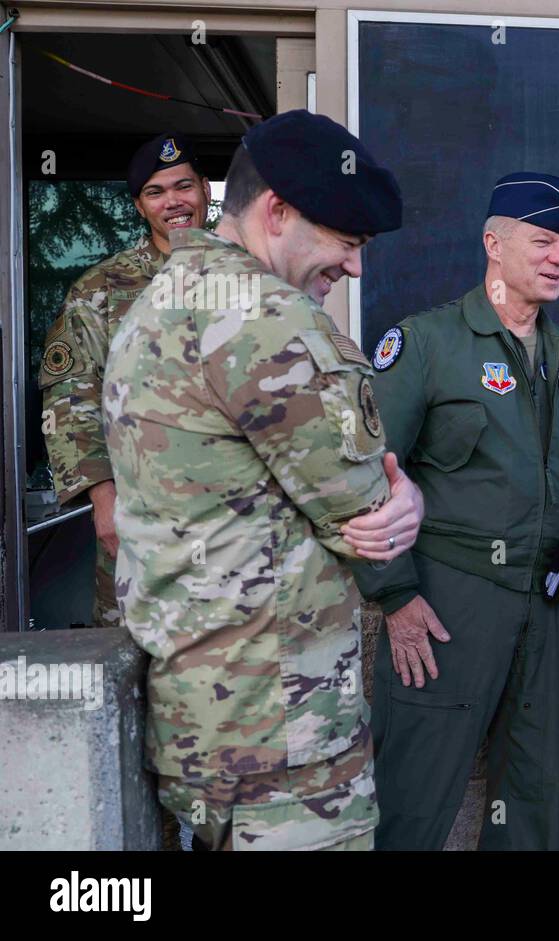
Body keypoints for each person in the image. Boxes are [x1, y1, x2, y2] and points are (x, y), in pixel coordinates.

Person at [103, 110, 423, 851]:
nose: (354, 267)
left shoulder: (158, 302)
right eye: (347, 242)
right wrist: (411, 499)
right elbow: (369, 516)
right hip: (287, 753)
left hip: (206, 735)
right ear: (276, 211)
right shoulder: (269, 319)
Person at [354, 172, 559, 850]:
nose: (558, 257)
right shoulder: (426, 345)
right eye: (542, 241)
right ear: (493, 244)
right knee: (412, 800)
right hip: (449, 602)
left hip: (547, 600)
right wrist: (394, 598)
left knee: (537, 799)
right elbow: (365, 475)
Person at [39, 132, 210, 627]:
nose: (174, 202)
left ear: (204, 189)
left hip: (236, 517)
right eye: (156, 192)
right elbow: (71, 397)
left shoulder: (248, 276)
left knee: (237, 660)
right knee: (133, 658)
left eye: (184, 186)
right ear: (139, 205)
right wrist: (103, 500)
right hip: (143, 519)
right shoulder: (101, 289)